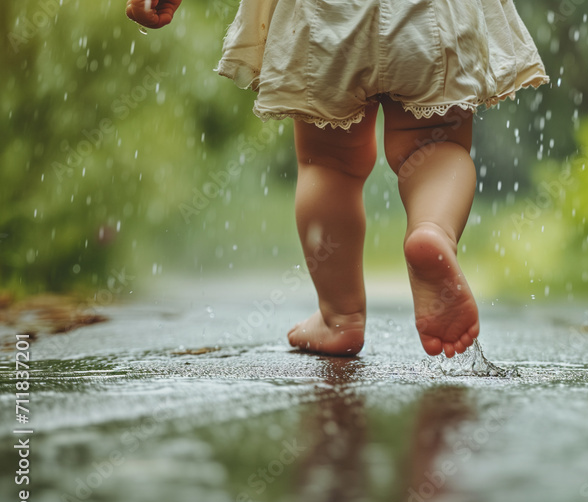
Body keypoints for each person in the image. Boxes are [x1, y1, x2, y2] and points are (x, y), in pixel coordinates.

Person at [126, 0, 548, 357]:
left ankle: (340, 317)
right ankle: (432, 233)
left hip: (326, 19)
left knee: (328, 164)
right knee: (434, 148)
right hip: (428, 18)